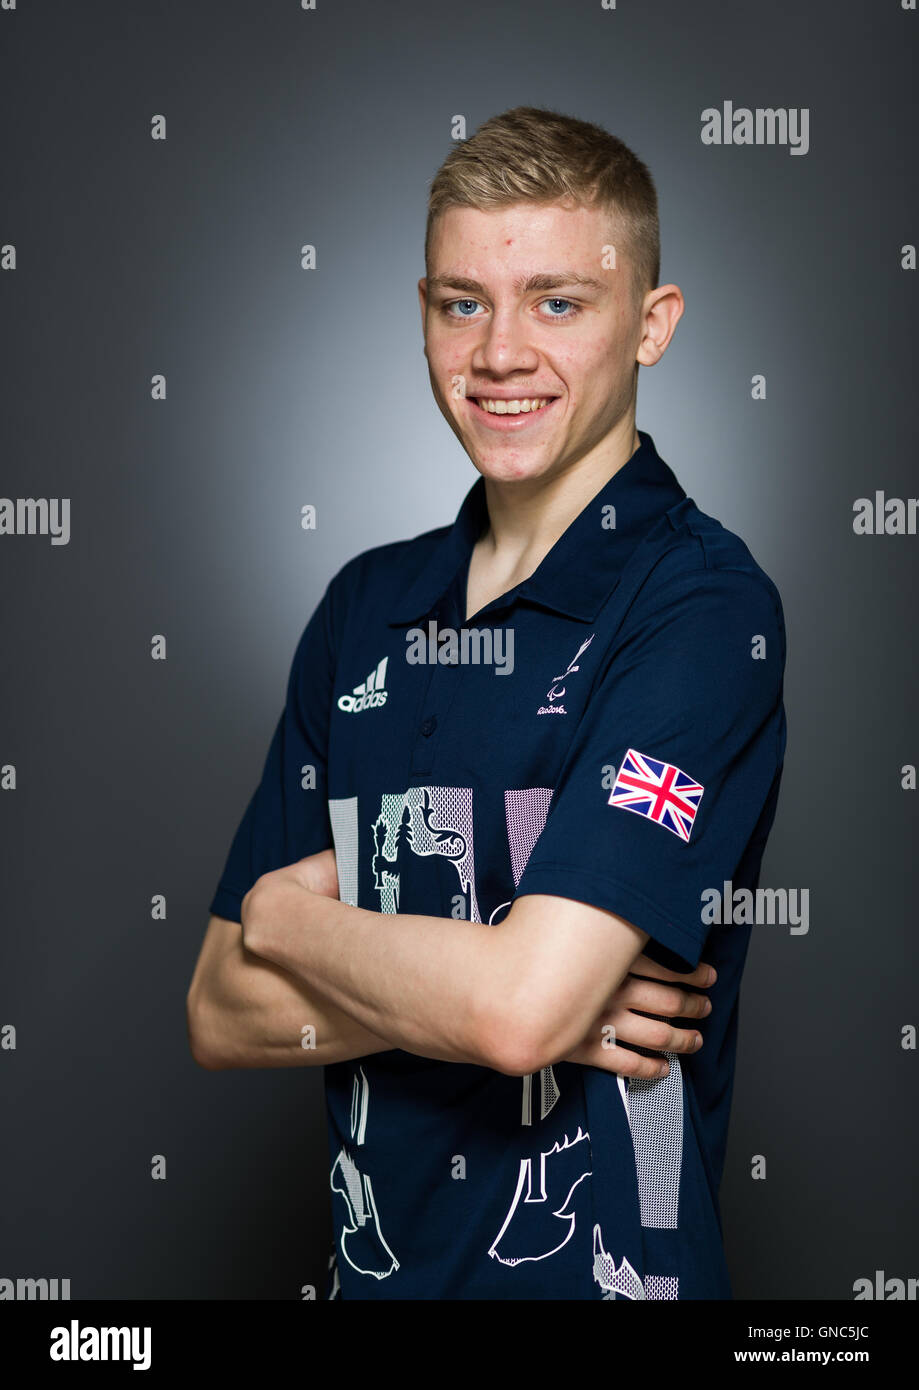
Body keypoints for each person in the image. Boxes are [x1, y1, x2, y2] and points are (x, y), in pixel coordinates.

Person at [186, 105, 787, 1301]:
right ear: (424, 315)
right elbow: (217, 1008)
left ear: (651, 326)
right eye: (464, 302)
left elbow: (517, 1013)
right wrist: (502, 984)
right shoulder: (364, 604)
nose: (500, 352)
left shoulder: (704, 608)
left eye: (558, 302)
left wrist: (292, 918)